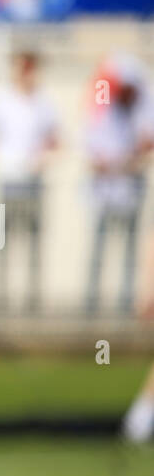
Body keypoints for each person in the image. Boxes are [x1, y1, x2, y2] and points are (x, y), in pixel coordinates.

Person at [0, 51, 58, 313]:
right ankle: (1, 302)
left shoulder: (45, 103)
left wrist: (44, 158)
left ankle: (32, 303)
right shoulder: (2, 100)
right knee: (2, 244)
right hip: (7, 181)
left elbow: (55, 139)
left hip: (33, 184)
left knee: (33, 245)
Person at [85, 54, 152, 315]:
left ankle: (124, 306)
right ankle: (91, 306)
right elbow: (93, 148)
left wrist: (127, 161)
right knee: (99, 249)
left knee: (129, 250)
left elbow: (146, 143)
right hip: (105, 192)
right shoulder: (103, 108)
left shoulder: (141, 107)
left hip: (130, 189)